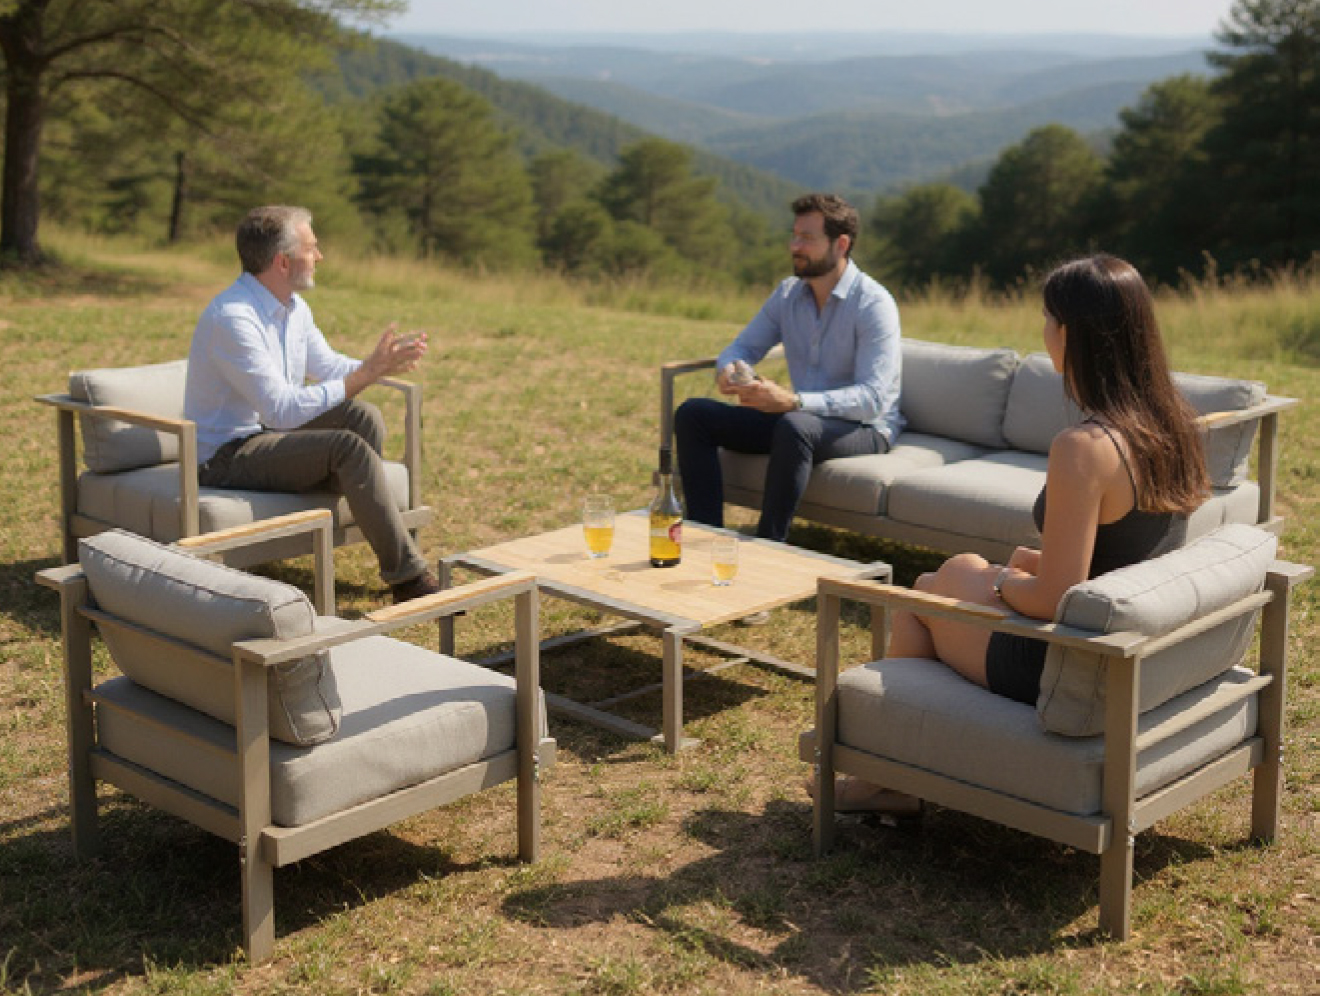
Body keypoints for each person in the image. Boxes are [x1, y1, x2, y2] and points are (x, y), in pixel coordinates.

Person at [817, 253, 1210, 814]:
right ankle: (895, 779)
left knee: (924, 594)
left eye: (1048, 318)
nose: (1043, 330)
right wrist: (1024, 568)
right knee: (948, 574)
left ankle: (893, 780)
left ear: (1071, 333)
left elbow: (1052, 598)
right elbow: (1129, 543)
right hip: (1124, 642)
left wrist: (1000, 584)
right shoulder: (1174, 425)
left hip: (1066, 660)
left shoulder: (1086, 447)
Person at [185, 205, 441, 603]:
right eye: (312, 247)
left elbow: (327, 366)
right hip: (225, 454)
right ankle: (409, 579)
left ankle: (367, 517)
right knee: (347, 448)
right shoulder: (233, 319)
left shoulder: (292, 307)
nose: (319, 257)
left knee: (362, 416)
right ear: (283, 262)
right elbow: (281, 411)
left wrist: (377, 366)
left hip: (269, 434)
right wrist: (366, 374)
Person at [674, 193, 905, 544]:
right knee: (694, 414)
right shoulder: (788, 294)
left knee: (796, 426)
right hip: (795, 420)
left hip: (863, 427)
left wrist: (793, 401)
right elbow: (742, 348)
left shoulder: (873, 304)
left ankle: (769, 547)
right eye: (794, 235)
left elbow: (873, 399)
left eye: (807, 238)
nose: (795, 246)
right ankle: (705, 533)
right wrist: (732, 371)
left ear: (841, 244)